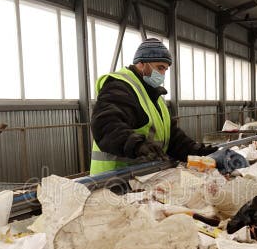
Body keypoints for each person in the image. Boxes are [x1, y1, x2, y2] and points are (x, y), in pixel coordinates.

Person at [89, 38, 217, 175]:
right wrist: (138, 145)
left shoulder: (154, 97)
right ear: (141, 64)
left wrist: (197, 151)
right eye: (159, 67)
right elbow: (106, 125)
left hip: (140, 178)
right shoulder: (120, 87)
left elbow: (173, 137)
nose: (162, 74)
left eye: (165, 70)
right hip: (112, 179)